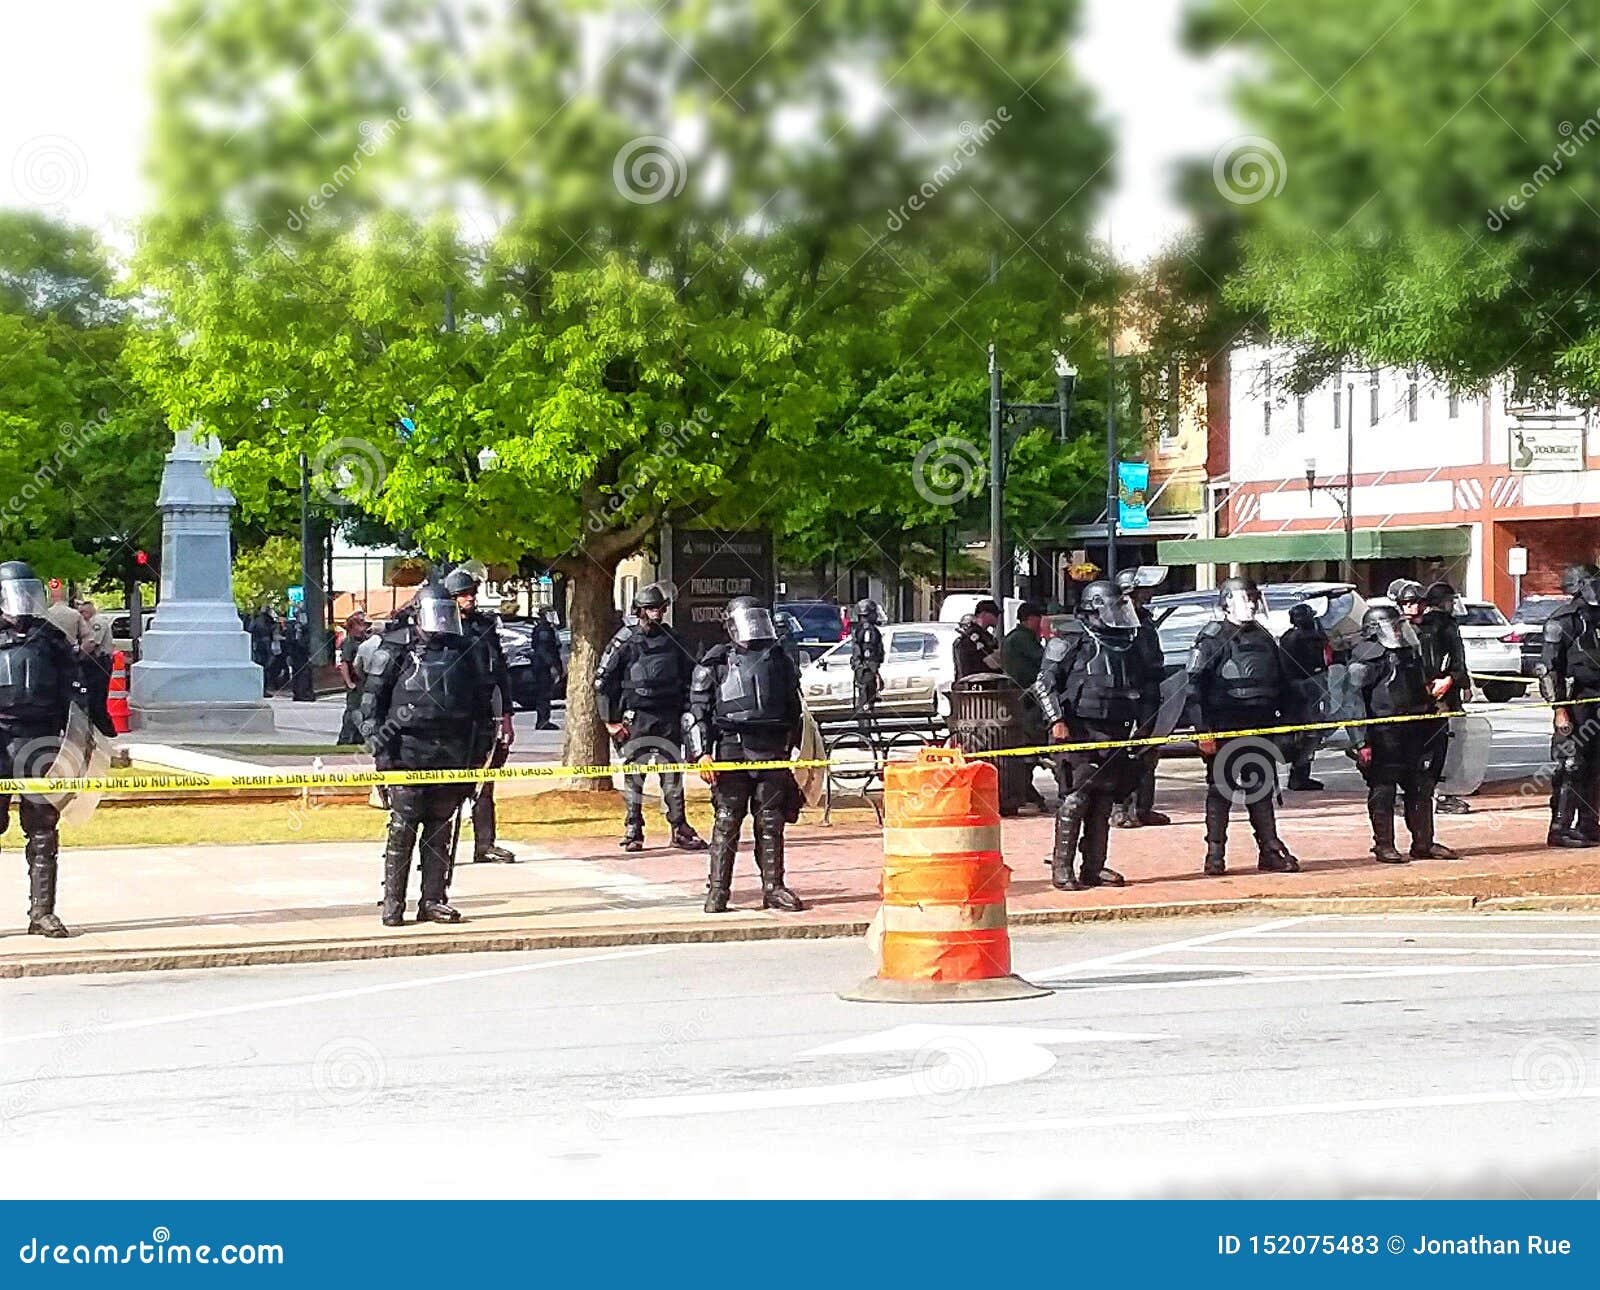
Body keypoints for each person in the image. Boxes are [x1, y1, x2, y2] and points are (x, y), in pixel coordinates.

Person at [360, 584, 493, 925]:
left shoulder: (466, 650)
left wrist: (477, 758)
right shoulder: (394, 649)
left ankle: (433, 899)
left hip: (451, 752)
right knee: (402, 828)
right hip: (406, 751)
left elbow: (483, 709)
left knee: (440, 830)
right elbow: (370, 705)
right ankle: (393, 902)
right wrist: (380, 753)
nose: (442, 622)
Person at [1034, 581, 1161, 890]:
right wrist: (1056, 720)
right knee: (1075, 799)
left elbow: (1147, 689)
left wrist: (1146, 730)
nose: (1121, 614)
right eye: (1115, 607)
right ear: (1095, 608)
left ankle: (1094, 867)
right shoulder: (1070, 640)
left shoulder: (1130, 643)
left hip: (1116, 730)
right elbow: (1043, 683)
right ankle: (1062, 869)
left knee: (1104, 801)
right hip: (1078, 731)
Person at [687, 599, 806, 913]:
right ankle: (718, 891)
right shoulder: (715, 662)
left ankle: (773, 887)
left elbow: (795, 708)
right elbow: (696, 713)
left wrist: (793, 747)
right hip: (731, 749)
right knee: (727, 822)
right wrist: (701, 754)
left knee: (771, 822)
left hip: (772, 751)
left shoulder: (780, 661)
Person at [1187, 576, 1300, 876]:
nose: (1250, 604)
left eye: (1253, 598)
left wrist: (1288, 723)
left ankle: (1269, 848)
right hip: (1225, 725)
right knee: (1221, 791)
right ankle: (1215, 853)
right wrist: (1203, 732)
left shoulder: (1263, 636)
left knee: (1261, 789)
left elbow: (1282, 680)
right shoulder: (1212, 637)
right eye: (1244, 598)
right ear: (1227, 602)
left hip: (1260, 724)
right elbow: (1194, 687)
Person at [594, 581, 707, 853]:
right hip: (636, 718)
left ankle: (679, 827)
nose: (655, 614)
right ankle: (633, 828)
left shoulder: (674, 640)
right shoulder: (625, 640)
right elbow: (602, 681)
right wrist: (611, 721)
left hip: (668, 716)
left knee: (672, 776)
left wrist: (690, 711)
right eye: (650, 609)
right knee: (635, 775)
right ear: (639, 611)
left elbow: (692, 676)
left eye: (659, 609)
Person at [0, 562, 80, 937]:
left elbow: (76, 687)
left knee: (43, 828)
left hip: (40, 739)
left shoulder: (51, 639)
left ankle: (42, 913)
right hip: (0, 736)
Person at [1347, 605, 1460, 863]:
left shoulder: (1410, 654)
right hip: (1384, 732)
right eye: (1393, 626)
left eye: (1400, 626)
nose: (1399, 631)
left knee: (1421, 786)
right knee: (1383, 789)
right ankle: (1384, 845)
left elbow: (1417, 688)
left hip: (1416, 730)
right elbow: (1352, 703)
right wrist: (1360, 741)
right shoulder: (1365, 658)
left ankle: (1423, 843)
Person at [443, 569, 518, 865]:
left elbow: (500, 672)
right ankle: (441, 851)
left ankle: (485, 844)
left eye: (472, 592)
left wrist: (507, 716)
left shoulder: (485, 627)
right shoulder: (441, 628)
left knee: (484, 781)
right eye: (463, 594)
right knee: (447, 786)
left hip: (484, 712)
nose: (470, 598)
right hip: (453, 715)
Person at [1537, 563, 1600, 847]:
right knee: (1571, 764)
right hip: (1575, 700)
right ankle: (1560, 828)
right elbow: (1548, 669)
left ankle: (1589, 823)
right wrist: (1559, 708)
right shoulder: (1561, 621)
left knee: (1596, 765)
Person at [1110, 570, 1171, 828]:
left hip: (1148, 694)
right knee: (1121, 754)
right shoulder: (1114, 625)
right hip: (1125, 698)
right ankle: (1119, 808)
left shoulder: (1144, 621)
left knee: (1148, 752)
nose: (1148, 595)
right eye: (1142, 592)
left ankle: (1144, 807)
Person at [1001, 601, 1051, 814]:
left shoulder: (1016, 638)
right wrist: (1049, 639)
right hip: (1027, 701)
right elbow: (1045, 662)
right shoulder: (1022, 639)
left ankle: (1026, 792)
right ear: (1031, 619)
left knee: (1029, 750)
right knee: (1030, 748)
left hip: (1021, 699)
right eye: (1039, 618)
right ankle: (1025, 793)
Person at [1277, 602, 1331, 791]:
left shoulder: (1288, 637)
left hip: (1292, 687)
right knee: (1310, 734)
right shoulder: (1311, 637)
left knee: (1304, 733)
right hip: (1307, 686)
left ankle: (1299, 773)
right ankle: (1299, 775)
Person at [77, 598, 116, 738]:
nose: (81, 615)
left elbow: (92, 644)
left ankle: (107, 732)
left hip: (99, 663)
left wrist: (78, 657)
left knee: (97, 699)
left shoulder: (96, 623)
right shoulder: (91, 622)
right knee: (94, 699)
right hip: (97, 663)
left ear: (91, 610)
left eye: (83, 612)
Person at [335, 612, 370, 746]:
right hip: (356, 683)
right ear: (353, 626)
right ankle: (345, 739)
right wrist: (349, 683)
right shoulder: (349, 642)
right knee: (352, 711)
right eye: (361, 623)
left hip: (363, 682)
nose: (364, 627)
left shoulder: (364, 640)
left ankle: (357, 738)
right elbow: (344, 663)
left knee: (363, 710)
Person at [849, 598, 885, 724]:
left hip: (864, 669)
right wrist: (872, 670)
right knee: (866, 703)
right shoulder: (867, 630)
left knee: (867, 701)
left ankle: (866, 731)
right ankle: (865, 733)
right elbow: (868, 652)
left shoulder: (860, 629)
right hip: (866, 670)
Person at [527, 606, 563, 730]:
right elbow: (544, 650)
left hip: (541, 665)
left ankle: (544, 719)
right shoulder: (544, 630)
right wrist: (552, 665)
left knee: (545, 693)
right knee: (544, 694)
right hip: (543, 667)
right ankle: (543, 721)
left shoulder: (545, 628)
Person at [952, 599, 1002, 680]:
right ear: (984, 614)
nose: (997, 617)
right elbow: (991, 662)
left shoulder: (984, 635)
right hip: (976, 685)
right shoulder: (974, 636)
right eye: (994, 614)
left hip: (983, 683)